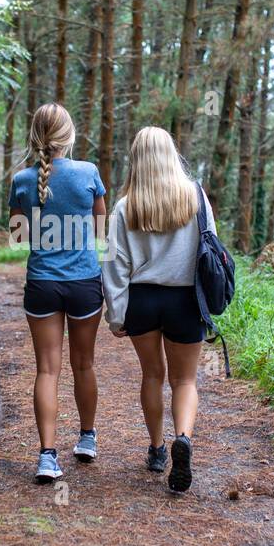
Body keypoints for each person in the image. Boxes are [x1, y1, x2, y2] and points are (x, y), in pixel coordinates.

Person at [101, 126, 211, 493]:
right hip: (185, 300)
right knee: (185, 380)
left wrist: (116, 314)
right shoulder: (196, 196)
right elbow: (208, 250)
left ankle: (158, 450)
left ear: (137, 160)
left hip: (142, 300)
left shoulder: (124, 206)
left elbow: (114, 264)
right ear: (171, 154)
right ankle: (184, 438)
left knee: (152, 375)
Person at [7, 103, 107, 483]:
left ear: (35, 137)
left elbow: (18, 237)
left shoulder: (21, 180)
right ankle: (86, 438)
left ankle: (47, 457)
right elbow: (102, 230)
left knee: (46, 370)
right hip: (83, 283)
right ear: (69, 135)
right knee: (84, 364)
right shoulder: (89, 173)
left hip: (42, 285)